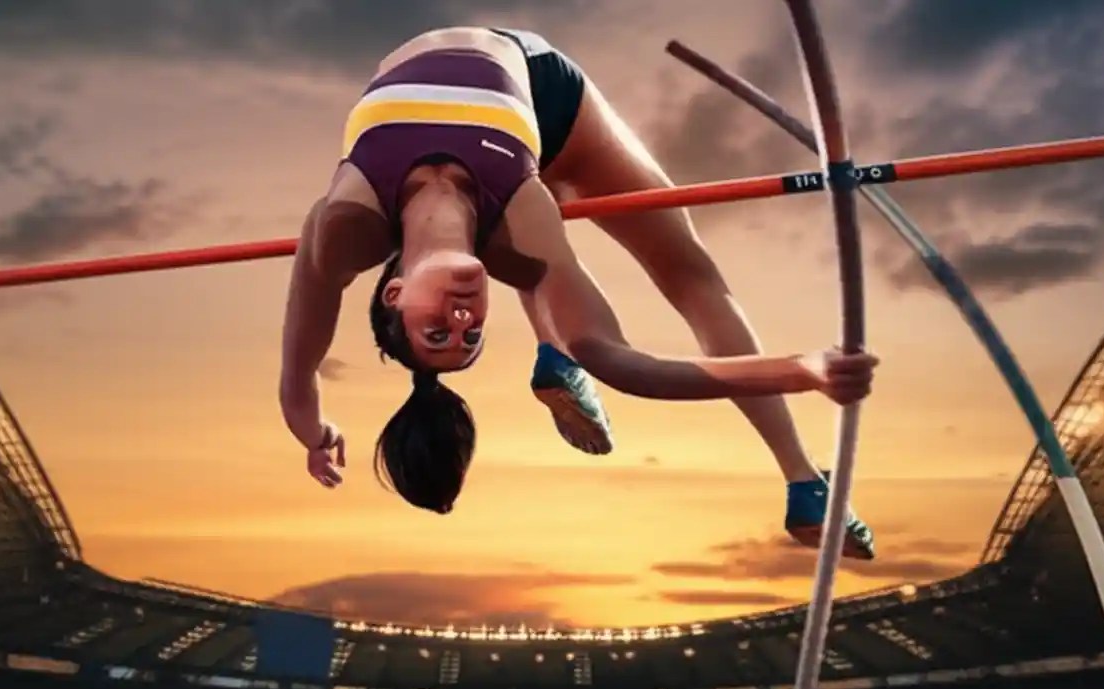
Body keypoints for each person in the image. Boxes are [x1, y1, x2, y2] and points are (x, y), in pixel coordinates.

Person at [279, 27, 878, 559]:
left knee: (532, 246)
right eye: (473, 334)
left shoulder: (344, 230)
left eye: (439, 330)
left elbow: (297, 372)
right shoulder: (525, 232)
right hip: (543, 120)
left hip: (530, 83)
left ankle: (555, 350)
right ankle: (802, 482)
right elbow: (630, 365)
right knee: (683, 272)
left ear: (394, 295)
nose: (463, 317)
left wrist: (310, 430)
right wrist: (803, 369)